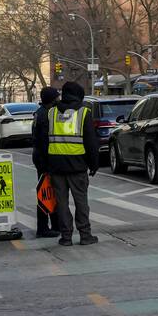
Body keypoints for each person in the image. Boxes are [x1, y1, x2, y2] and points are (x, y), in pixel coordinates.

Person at [34, 81, 99, 247]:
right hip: (77, 166)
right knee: (81, 202)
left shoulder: (52, 113)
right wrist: (94, 164)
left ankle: (66, 237)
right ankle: (85, 235)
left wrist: (45, 164)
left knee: (61, 203)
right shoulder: (84, 113)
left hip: (56, 167)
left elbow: (43, 141)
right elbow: (91, 142)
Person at [30, 87, 62, 239]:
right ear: (52, 99)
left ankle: (54, 225)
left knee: (48, 192)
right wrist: (48, 164)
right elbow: (44, 141)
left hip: (40, 157)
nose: (59, 100)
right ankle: (43, 228)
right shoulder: (45, 115)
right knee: (46, 193)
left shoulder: (40, 112)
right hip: (44, 159)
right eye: (57, 97)